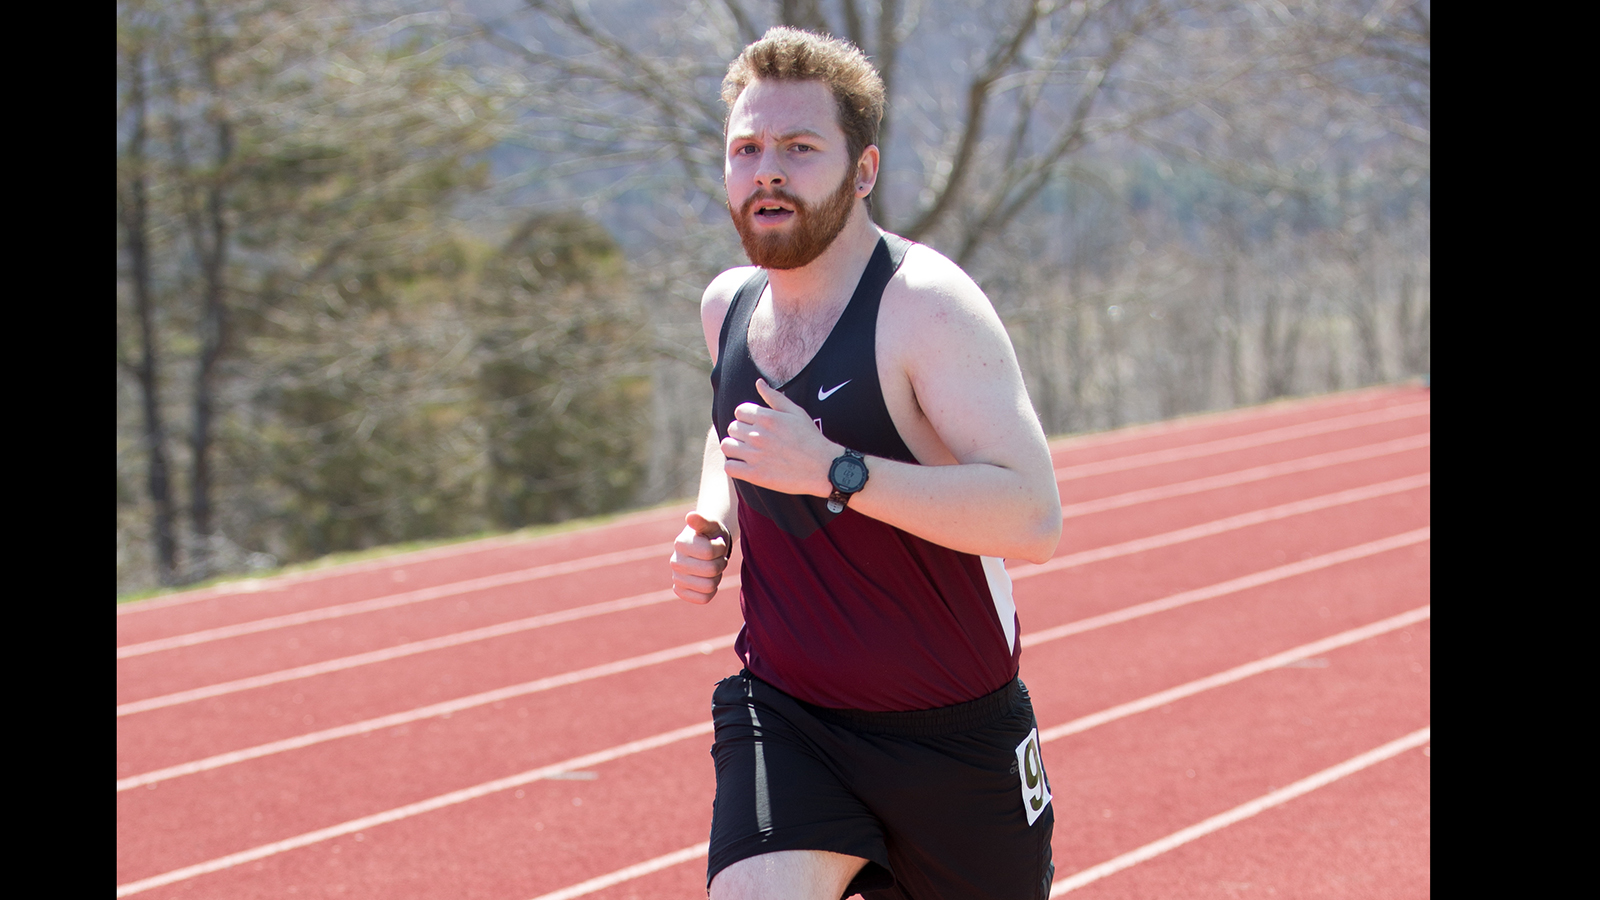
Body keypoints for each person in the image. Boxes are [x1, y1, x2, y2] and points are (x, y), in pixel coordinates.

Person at [669, 26, 1064, 900]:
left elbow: (1033, 518)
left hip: (956, 738)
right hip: (789, 715)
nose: (767, 169)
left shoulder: (926, 307)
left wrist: (837, 472)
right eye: (747, 149)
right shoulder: (728, 306)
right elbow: (733, 422)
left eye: (800, 148)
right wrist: (713, 514)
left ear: (864, 169)